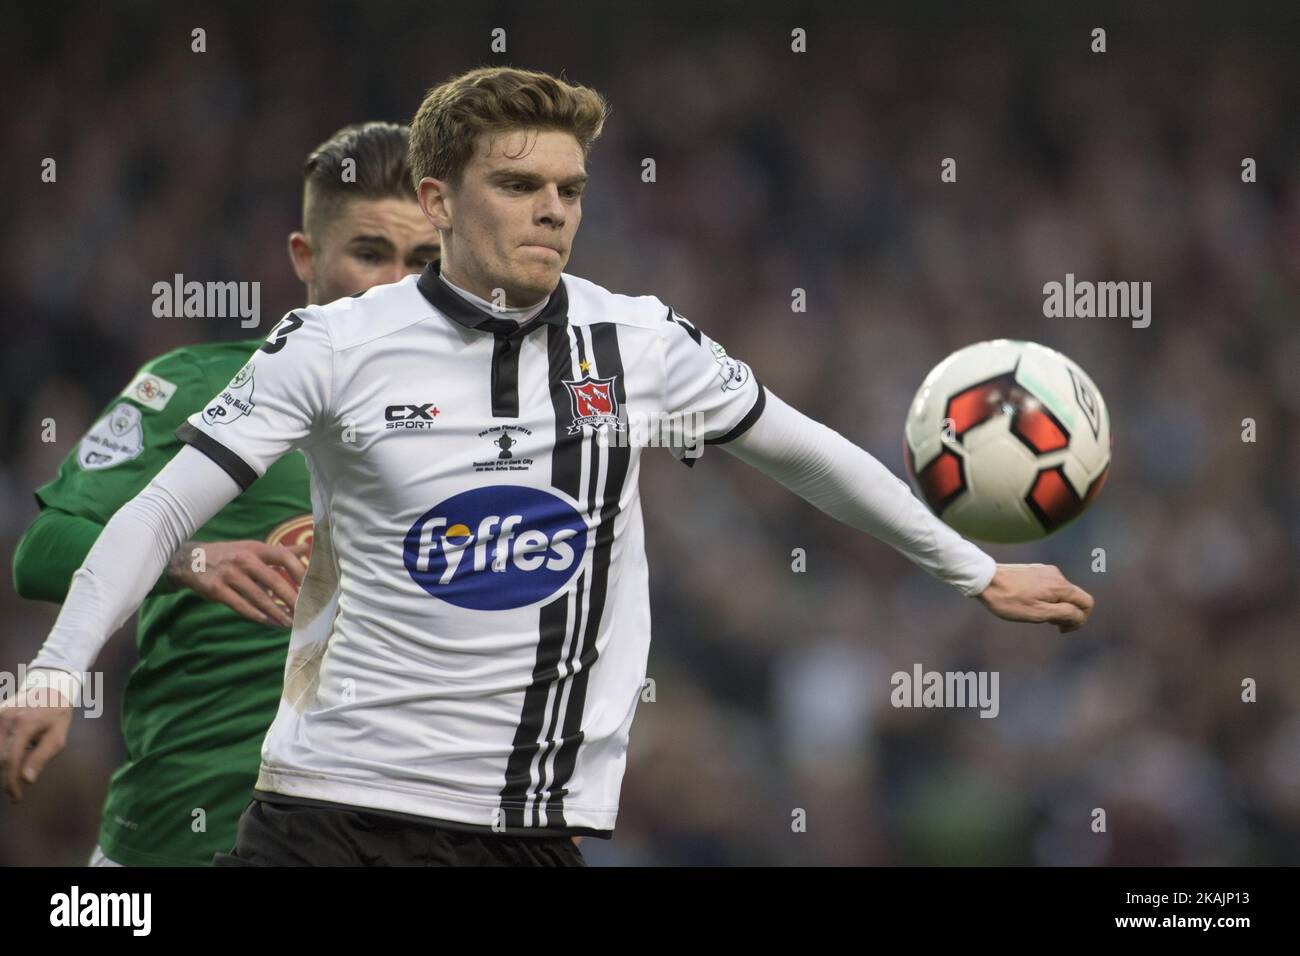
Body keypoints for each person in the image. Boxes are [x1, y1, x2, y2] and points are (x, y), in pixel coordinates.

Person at [2, 67, 1093, 867]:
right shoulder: (330, 348)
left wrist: (970, 569)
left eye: (568, 188)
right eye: (519, 184)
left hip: (525, 821)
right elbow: (153, 513)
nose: (552, 211)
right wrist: (56, 668)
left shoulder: (640, 343)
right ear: (439, 199)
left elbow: (802, 451)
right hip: (331, 812)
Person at [6, 121, 440, 865]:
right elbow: (39, 552)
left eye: (423, 262)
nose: (395, 289)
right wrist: (189, 561)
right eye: (370, 254)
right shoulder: (197, 388)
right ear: (307, 258)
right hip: (178, 834)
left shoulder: (476, 428)